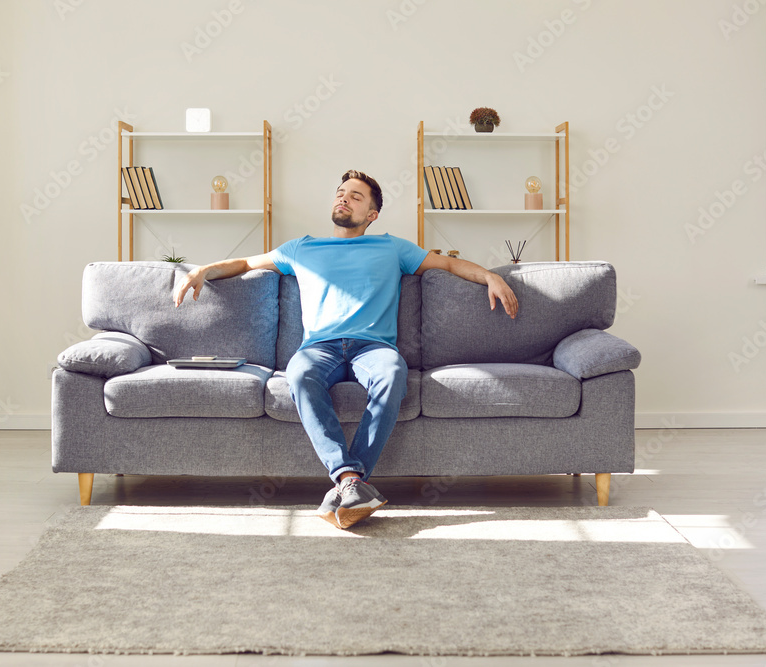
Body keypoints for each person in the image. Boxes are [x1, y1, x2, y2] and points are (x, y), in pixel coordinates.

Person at [174, 170, 518, 529]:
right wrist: (203, 270)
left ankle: (347, 481)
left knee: (393, 373)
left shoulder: (392, 247)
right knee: (300, 373)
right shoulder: (301, 248)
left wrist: (491, 275)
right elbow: (246, 263)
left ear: (372, 214)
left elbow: (447, 263)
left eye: (355, 196)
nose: (344, 198)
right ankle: (352, 481)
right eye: (341, 193)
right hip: (319, 348)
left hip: (373, 347)